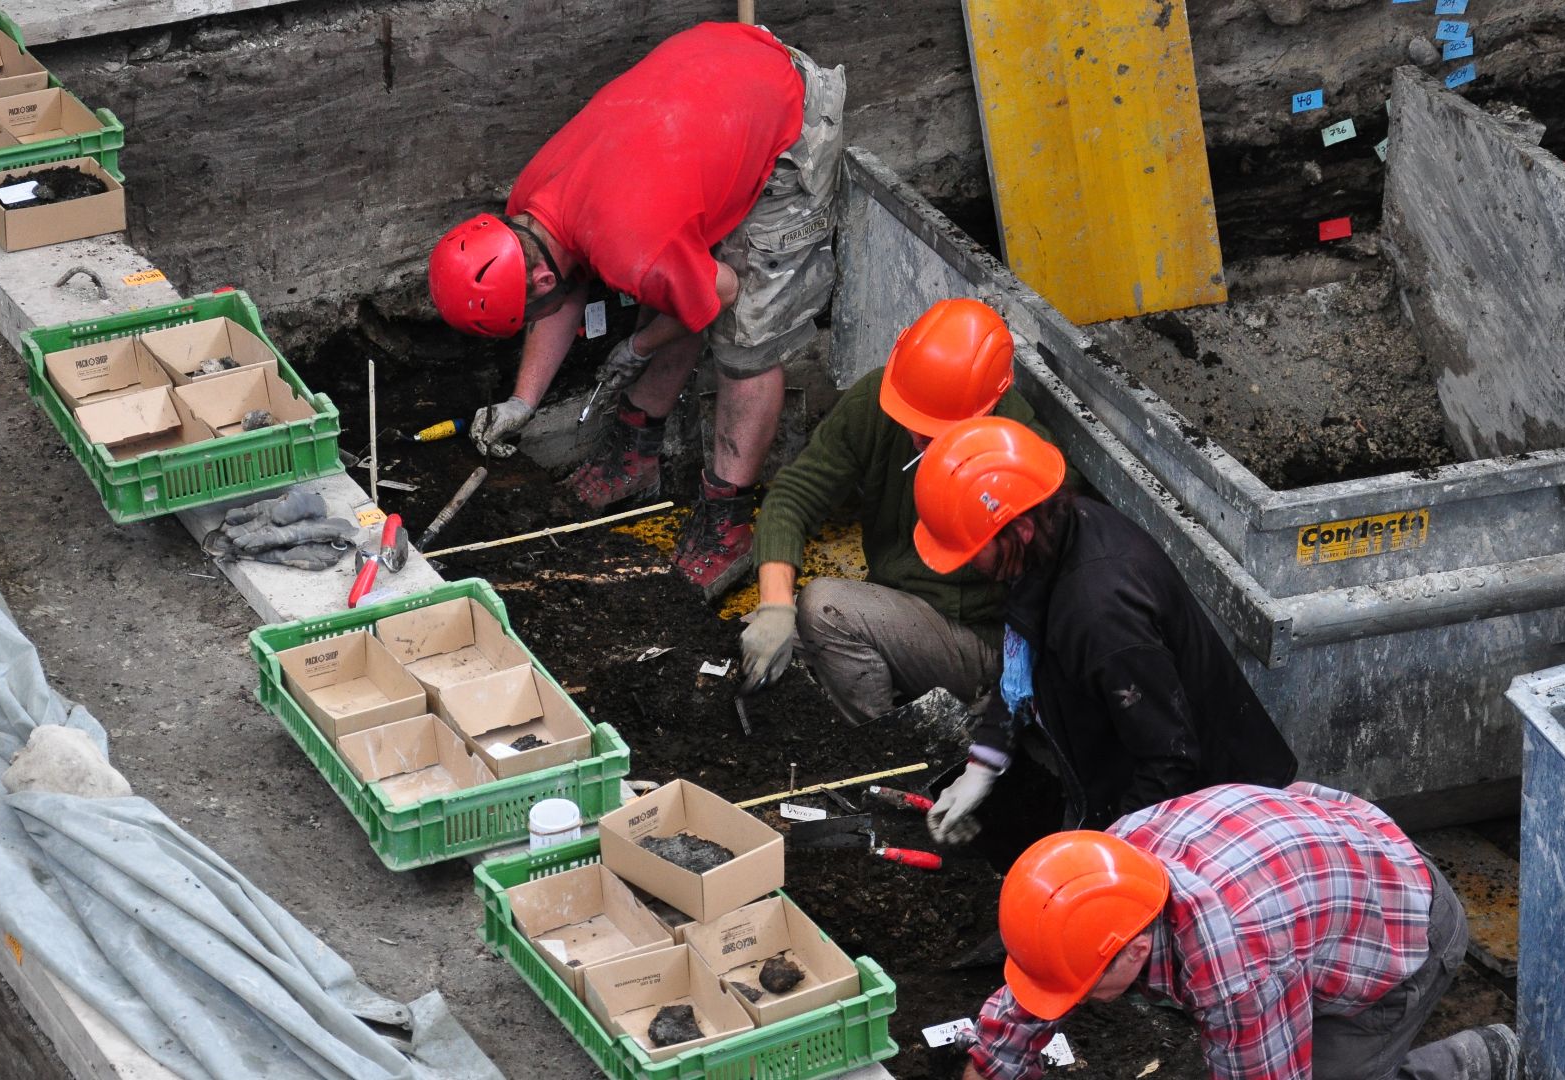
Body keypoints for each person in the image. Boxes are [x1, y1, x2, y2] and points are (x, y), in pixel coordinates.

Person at [426, 22, 846, 596]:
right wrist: (521, 403)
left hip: (785, 114)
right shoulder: (530, 205)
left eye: (530, 305)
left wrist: (636, 346)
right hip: (711, 81)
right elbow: (564, 290)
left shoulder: (631, 247)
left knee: (747, 340)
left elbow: (718, 292)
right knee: (672, 287)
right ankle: (638, 449)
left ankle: (727, 519)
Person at [959, 783, 1521, 1080]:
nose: (1071, 1001)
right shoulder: (1104, 869)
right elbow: (1040, 981)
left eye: (1081, 987)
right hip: (1334, 875)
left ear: (1132, 951)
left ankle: (1483, 1057)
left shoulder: (1235, 970)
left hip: (1403, 934)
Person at [906, 418, 1296, 841]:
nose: (964, 561)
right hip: (1127, 760)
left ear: (1019, 529)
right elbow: (1021, 653)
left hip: (1217, 812)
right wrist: (983, 762)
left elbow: (1170, 761)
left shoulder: (1100, 613)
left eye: (969, 548)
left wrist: (1104, 850)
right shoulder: (1054, 535)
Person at [738, 298, 1048, 723]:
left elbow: (1051, 589)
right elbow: (794, 495)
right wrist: (774, 605)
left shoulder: (1023, 455)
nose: (917, 437)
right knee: (762, 630)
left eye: (936, 431)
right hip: (899, 606)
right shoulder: (885, 399)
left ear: (987, 409)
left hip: (976, 637)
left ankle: (884, 750)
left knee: (824, 609)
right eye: (912, 420)